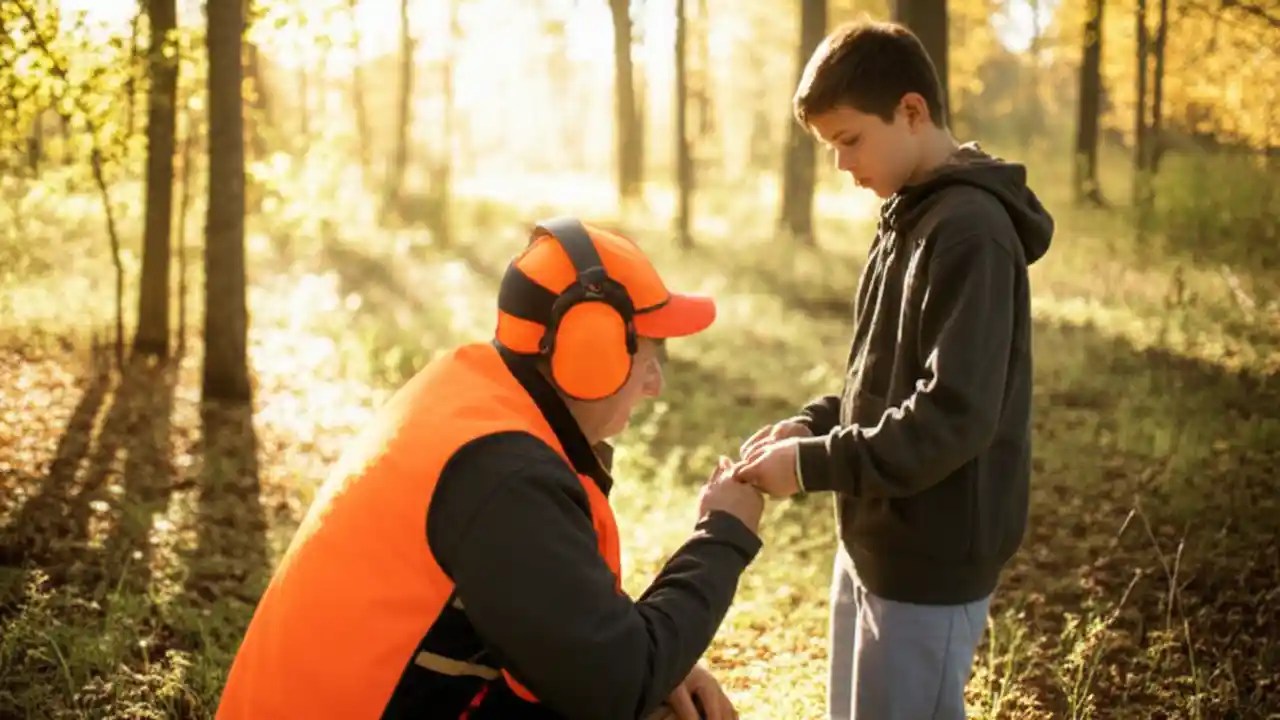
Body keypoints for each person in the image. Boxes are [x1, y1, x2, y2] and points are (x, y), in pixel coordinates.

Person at [218, 218, 765, 720]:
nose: (655, 384)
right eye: (650, 354)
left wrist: (654, 660)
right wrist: (723, 535)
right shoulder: (507, 474)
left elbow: (568, 632)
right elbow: (614, 689)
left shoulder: (474, 402)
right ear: (589, 348)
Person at [733, 20, 1054, 720]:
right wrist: (812, 424)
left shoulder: (970, 230)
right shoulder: (907, 215)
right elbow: (880, 376)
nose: (842, 165)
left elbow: (954, 414)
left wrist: (813, 465)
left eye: (849, 140)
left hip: (931, 554)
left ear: (911, 112)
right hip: (876, 534)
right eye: (829, 147)